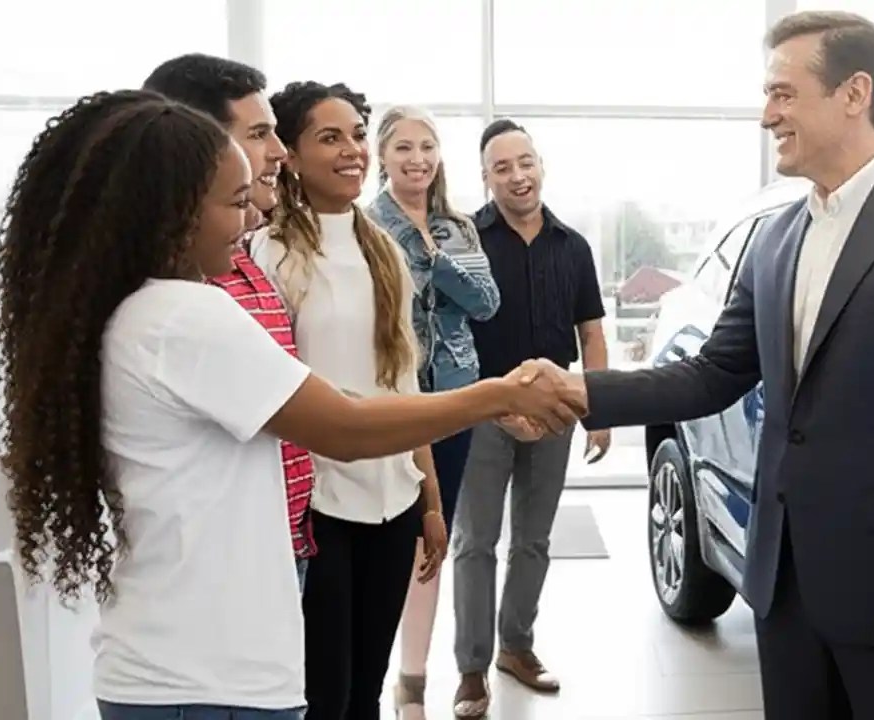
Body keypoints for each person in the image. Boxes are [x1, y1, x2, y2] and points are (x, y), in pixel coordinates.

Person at [510, 11, 874, 720]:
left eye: (784, 94)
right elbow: (711, 374)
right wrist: (576, 390)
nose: (767, 116)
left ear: (855, 93)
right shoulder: (776, 237)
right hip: (782, 593)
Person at [0, 89, 585, 720]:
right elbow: (345, 425)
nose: (249, 220)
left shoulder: (140, 311)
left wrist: (428, 489)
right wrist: (498, 394)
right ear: (172, 210)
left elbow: (384, 385)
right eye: (236, 202)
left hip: (186, 671)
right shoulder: (184, 317)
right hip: (206, 685)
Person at [247, 81, 447, 720]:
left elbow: (405, 384)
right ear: (292, 153)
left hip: (394, 497)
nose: (353, 150)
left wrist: (431, 498)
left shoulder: (382, 248)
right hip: (319, 509)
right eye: (329, 137)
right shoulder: (271, 251)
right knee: (323, 694)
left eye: (358, 134)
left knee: (366, 688)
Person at [448, 118, 610, 719]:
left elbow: (590, 332)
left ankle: (516, 647)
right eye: (502, 167)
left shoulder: (573, 246)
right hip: (484, 409)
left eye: (525, 162)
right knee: (475, 543)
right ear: (486, 177)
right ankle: (470, 668)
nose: (518, 176)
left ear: (540, 164)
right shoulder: (465, 240)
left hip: (556, 412)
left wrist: (598, 410)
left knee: (535, 541)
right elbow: (448, 331)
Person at [142, 53, 318, 593]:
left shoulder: (238, 259)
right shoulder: (180, 295)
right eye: (260, 133)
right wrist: (496, 396)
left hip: (284, 544)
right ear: (197, 145)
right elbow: (335, 423)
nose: (280, 153)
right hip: (224, 571)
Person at [364, 105, 499, 718]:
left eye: (427, 147)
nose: (417, 159)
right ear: (383, 159)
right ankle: (384, 665)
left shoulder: (458, 229)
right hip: (394, 396)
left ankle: (413, 677)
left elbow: (486, 303)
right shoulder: (368, 226)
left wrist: (434, 258)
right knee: (400, 530)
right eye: (403, 149)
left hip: (454, 394)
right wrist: (417, 261)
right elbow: (380, 313)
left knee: (433, 539)